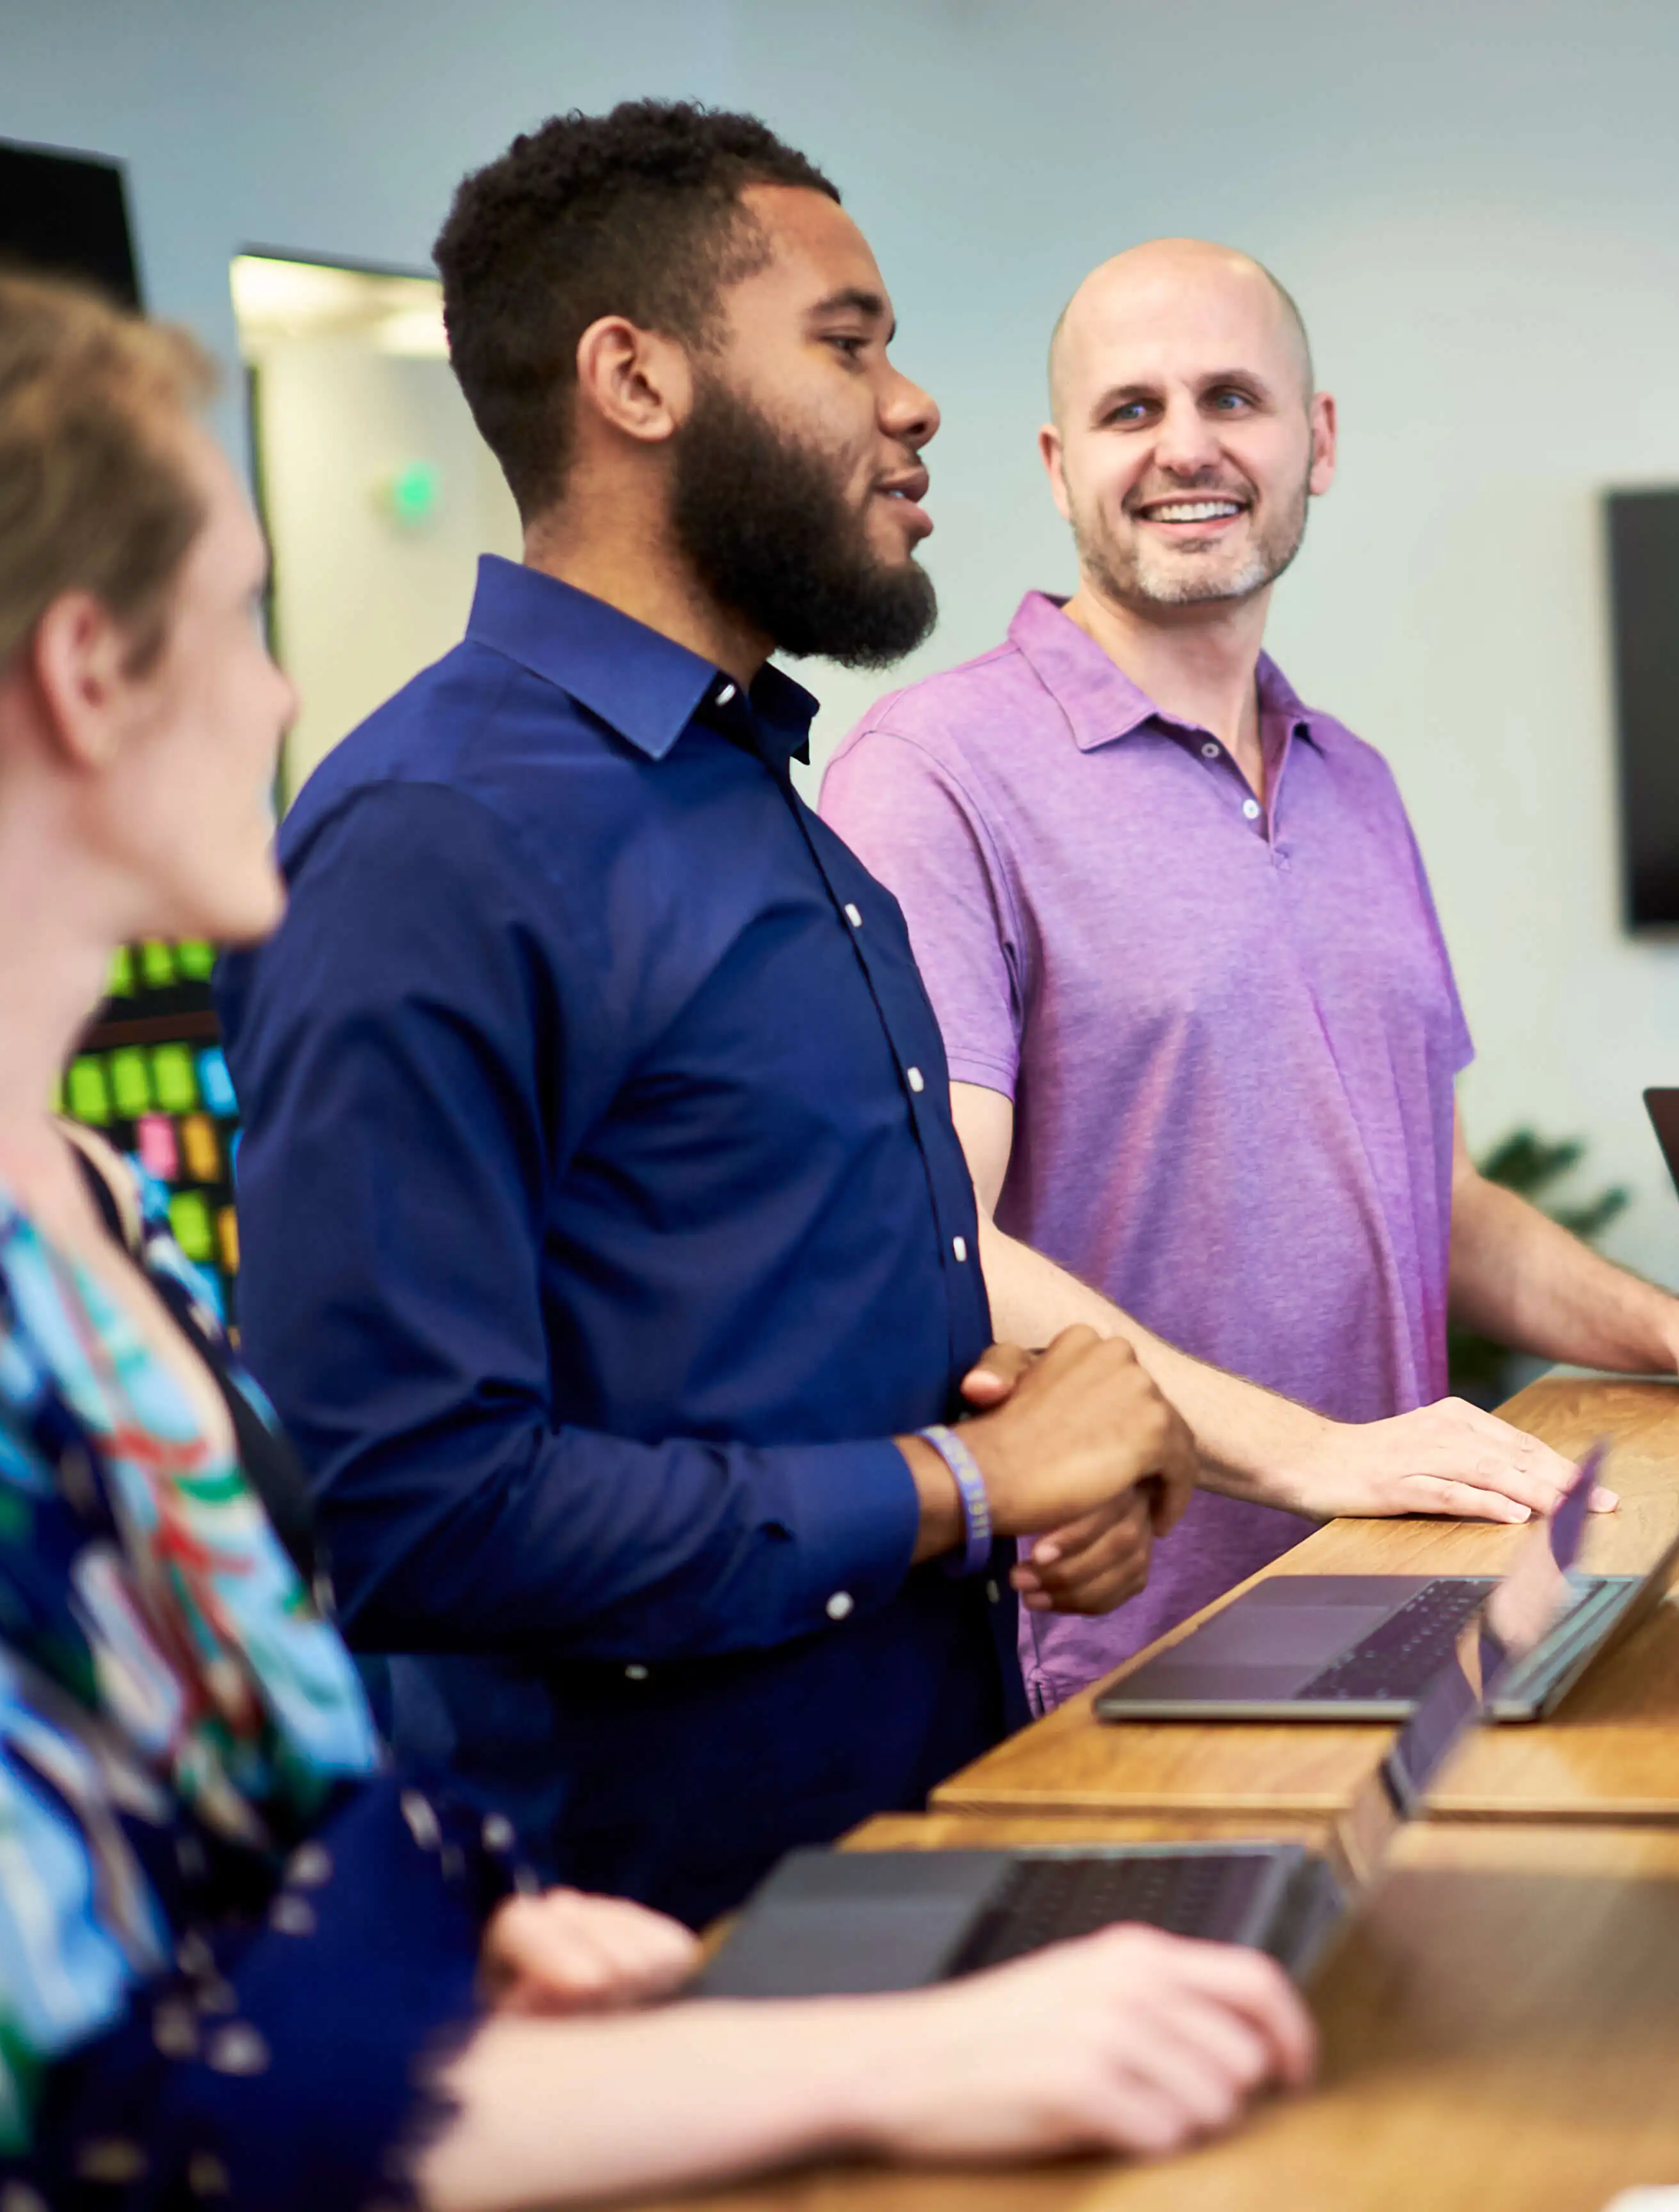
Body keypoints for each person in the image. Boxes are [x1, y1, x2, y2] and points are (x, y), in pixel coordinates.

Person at [0, 259, 1308, 2212]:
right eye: (239, 622)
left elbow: (216, 1781)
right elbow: (85, 2106)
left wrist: (437, 1933)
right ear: (82, 674)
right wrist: (878, 2057)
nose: (285, 694)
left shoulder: (62, 1216)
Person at [216, 104, 1198, 1927]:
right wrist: (958, 1484)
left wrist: (1039, 1463)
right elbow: (406, 1503)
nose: (912, 404)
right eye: (849, 341)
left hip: (921, 1868)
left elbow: (773, 1354)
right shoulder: (429, 841)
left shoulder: (767, 805)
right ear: (636, 379)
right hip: (649, 1958)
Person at [816, 238, 1679, 1709]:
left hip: (1404, 1590)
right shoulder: (937, 776)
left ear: (1318, 440)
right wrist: (1315, 1451)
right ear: (1056, 463)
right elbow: (938, 1241)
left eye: (1232, 397)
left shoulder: (1350, 782)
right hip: (1128, 1654)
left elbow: (1444, 1199)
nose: (1186, 447)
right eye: (1129, 410)